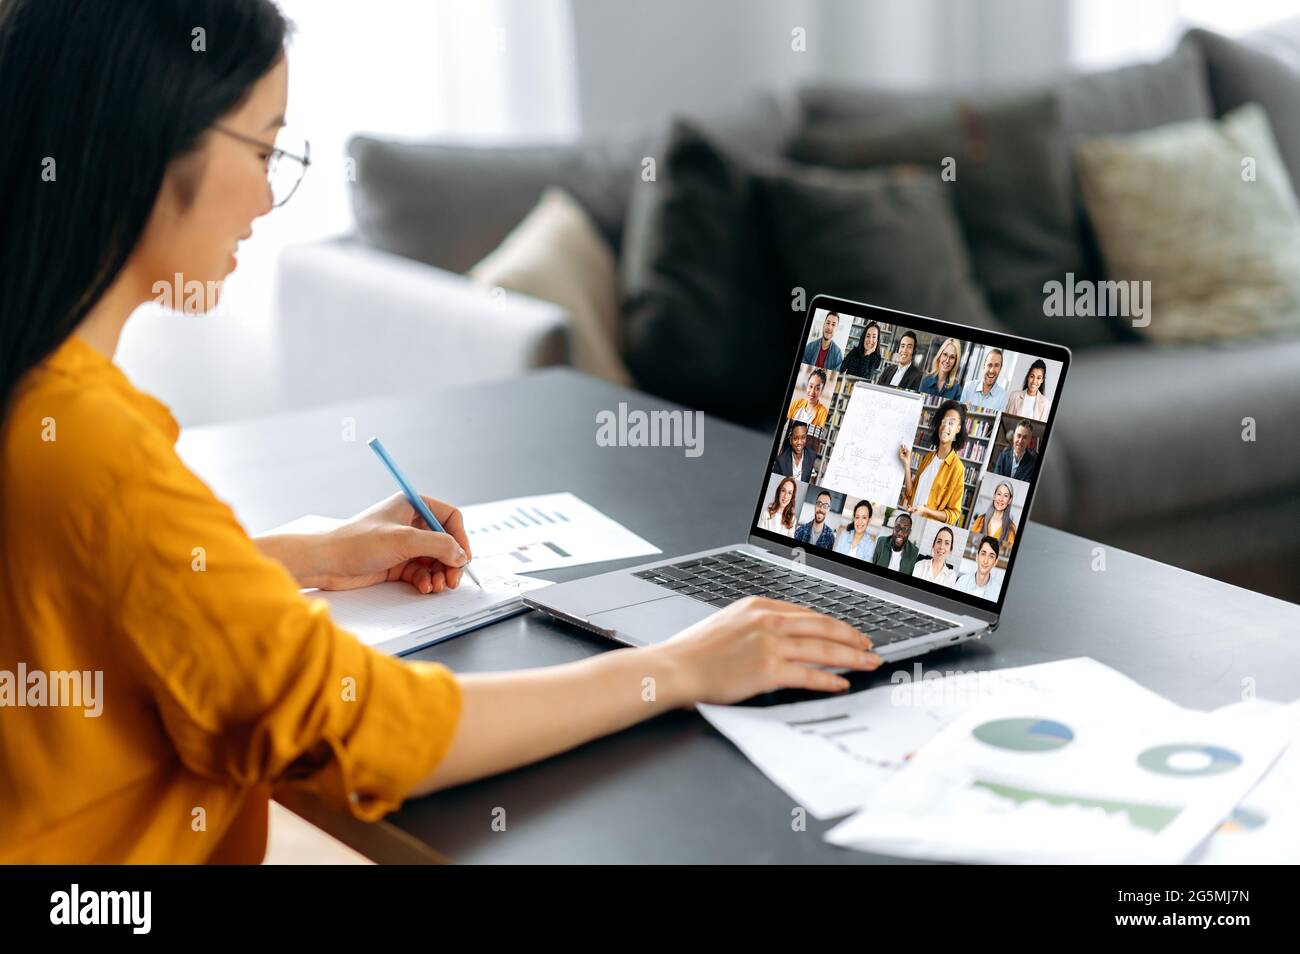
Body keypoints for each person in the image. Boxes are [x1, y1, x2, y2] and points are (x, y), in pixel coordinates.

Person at [0, 0, 882, 864]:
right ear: (149, 137)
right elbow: (371, 729)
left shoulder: (41, 402)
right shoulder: (96, 450)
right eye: (266, 148)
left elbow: (97, 584)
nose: (271, 196)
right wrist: (682, 667)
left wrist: (310, 557)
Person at [898, 400, 967, 525]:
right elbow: (909, 493)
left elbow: (954, 514)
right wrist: (907, 464)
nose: (946, 427)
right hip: (908, 519)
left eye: (951, 423)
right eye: (944, 422)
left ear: (958, 429)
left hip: (925, 525)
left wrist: (926, 511)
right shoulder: (929, 457)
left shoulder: (957, 468)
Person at [969, 481, 1017, 551]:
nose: (1001, 499)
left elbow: (1008, 548)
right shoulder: (980, 520)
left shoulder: (1011, 527)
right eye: (999, 494)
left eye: (1006, 496)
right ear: (994, 496)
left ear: (1009, 500)